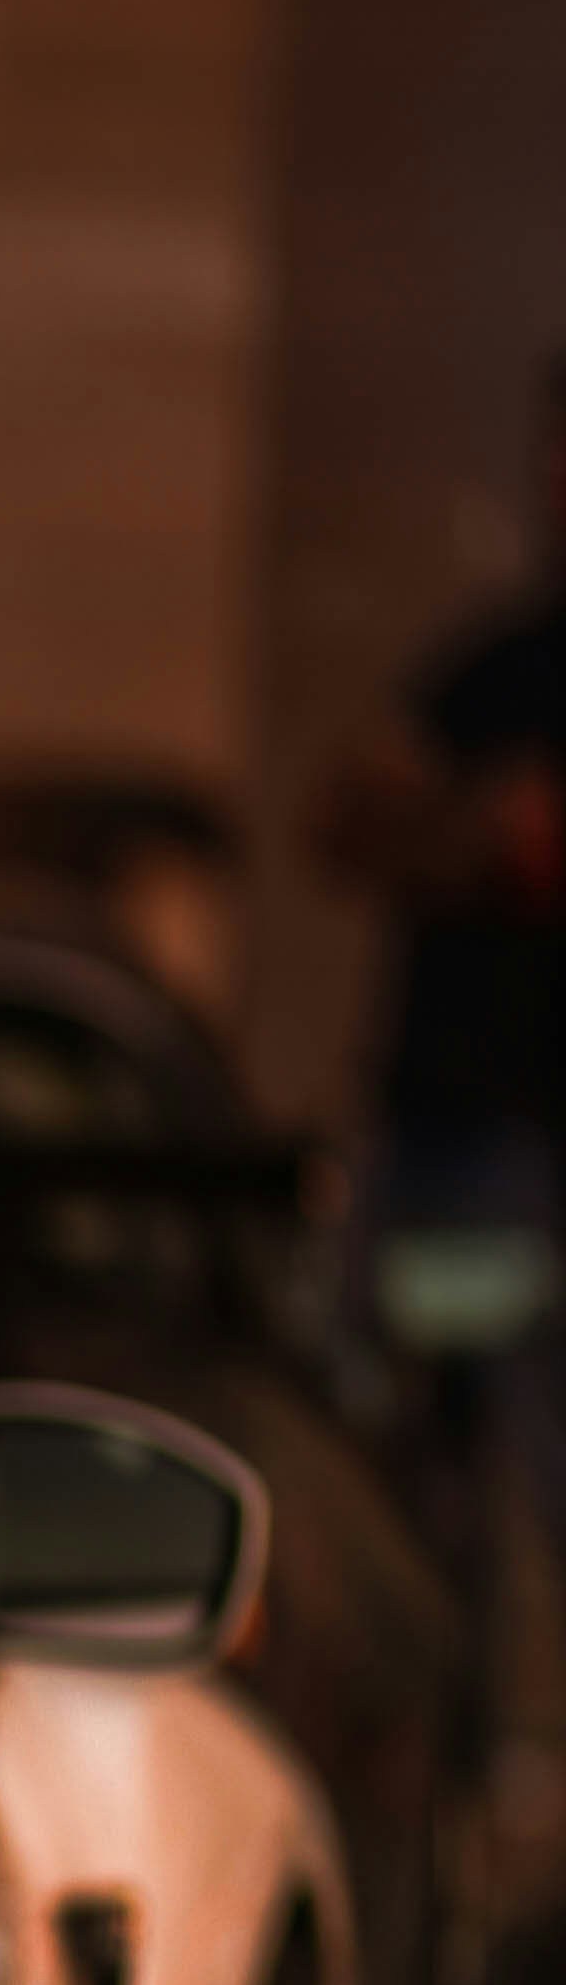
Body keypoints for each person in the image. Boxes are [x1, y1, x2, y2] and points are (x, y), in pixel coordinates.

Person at [315, 350, 566, 1366]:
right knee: (436, 1416)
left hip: (519, 1153)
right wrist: (484, 833)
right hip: (458, 1145)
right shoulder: (501, 660)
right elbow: (347, 820)